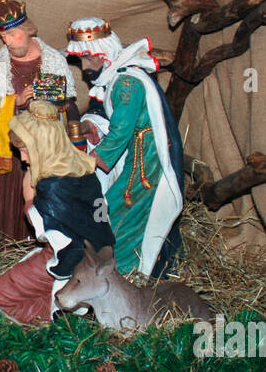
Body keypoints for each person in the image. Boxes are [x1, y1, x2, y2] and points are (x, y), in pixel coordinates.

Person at [66, 17, 185, 277]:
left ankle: (129, 270)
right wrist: (90, 125)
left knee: (122, 208)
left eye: (89, 58)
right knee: (115, 208)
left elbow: (120, 132)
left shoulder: (126, 83)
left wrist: (90, 161)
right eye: (82, 60)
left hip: (147, 161)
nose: (85, 67)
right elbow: (111, 121)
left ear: (105, 53)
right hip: (137, 152)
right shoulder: (115, 79)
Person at [0, 102, 114, 325]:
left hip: (67, 259)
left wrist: (28, 200)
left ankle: (61, 319)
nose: (23, 158)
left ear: (42, 145)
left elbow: (52, 235)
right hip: (97, 253)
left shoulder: (53, 186)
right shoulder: (81, 167)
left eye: (25, 150)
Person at [0, 0, 78, 243]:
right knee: (5, 193)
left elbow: (68, 103)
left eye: (13, 34)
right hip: (8, 146)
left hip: (44, 144)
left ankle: (43, 241)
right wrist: (13, 101)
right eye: (3, 36)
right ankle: (1, 243)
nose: (8, 41)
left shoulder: (53, 61)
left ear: (28, 30)